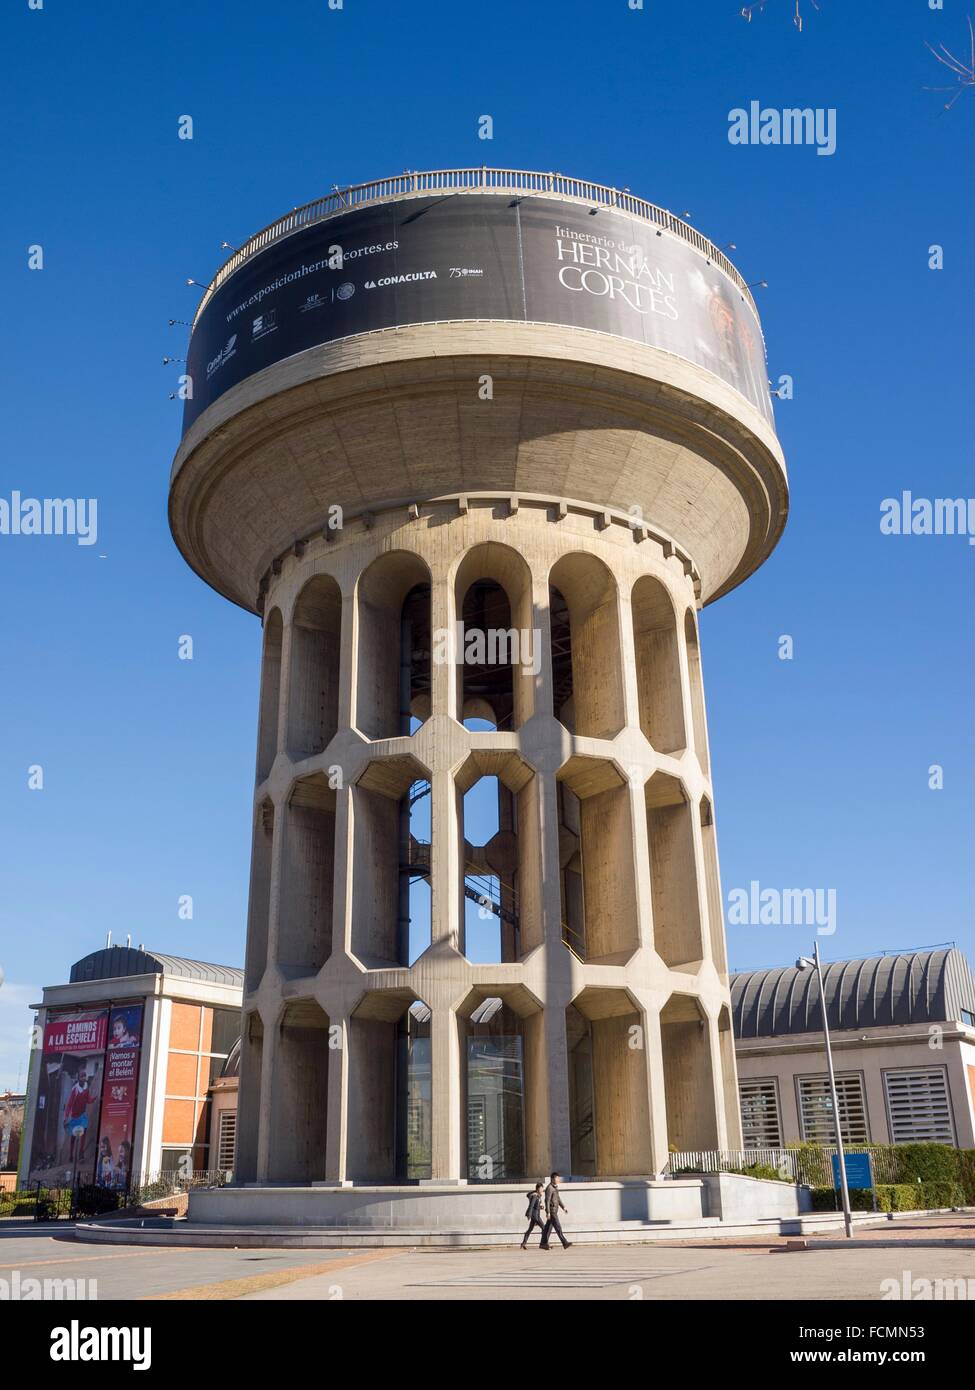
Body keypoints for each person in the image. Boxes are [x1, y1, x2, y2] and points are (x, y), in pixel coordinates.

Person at [540, 1172, 572, 1250]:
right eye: (556, 1178)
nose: (558, 1179)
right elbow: (547, 1201)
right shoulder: (549, 1188)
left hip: (555, 1210)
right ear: (552, 1179)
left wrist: (563, 1207)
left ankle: (543, 1243)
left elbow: (558, 1199)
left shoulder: (555, 1188)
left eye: (558, 1178)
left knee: (547, 1228)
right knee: (558, 1227)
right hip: (552, 1211)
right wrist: (548, 1212)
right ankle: (565, 1243)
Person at [521, 1182, 546, 1249]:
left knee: (530, 1229)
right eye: (541, 1188)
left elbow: (535, 1206)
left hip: (535, 1215)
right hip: (535, 1216)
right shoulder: (535, 1196)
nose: (542, 1189)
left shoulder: (537, 1195)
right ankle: (544, 1243)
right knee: (544, 1228)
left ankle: (523, 1243)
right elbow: (531, 1205)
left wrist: (540, 1207)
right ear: (538, 1189)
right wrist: (529, 1214)